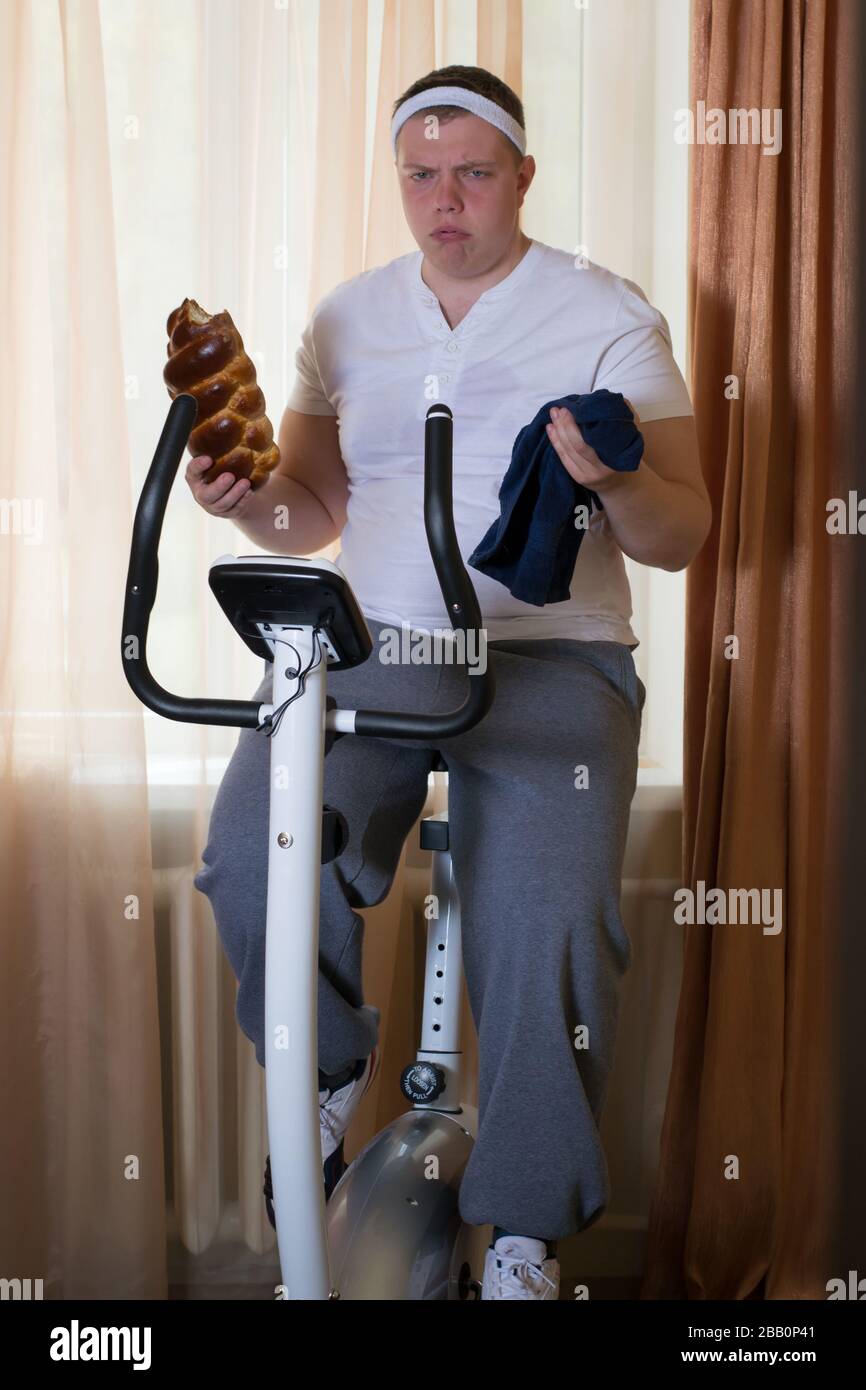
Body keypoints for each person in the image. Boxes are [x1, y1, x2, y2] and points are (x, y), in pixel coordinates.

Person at [191, 65, 711, 1300]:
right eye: (420, 175)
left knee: (551, 920)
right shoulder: (347, 319)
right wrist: (244, 499)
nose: (444, 200)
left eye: (472, 173)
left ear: (521, 177)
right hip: (376, 649)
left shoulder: (604, 314)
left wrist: (611, 476)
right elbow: (311, 507)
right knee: (246, 850)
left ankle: (523, 1234)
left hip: (548, 658)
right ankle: (318, 1077)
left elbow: (682, 531)